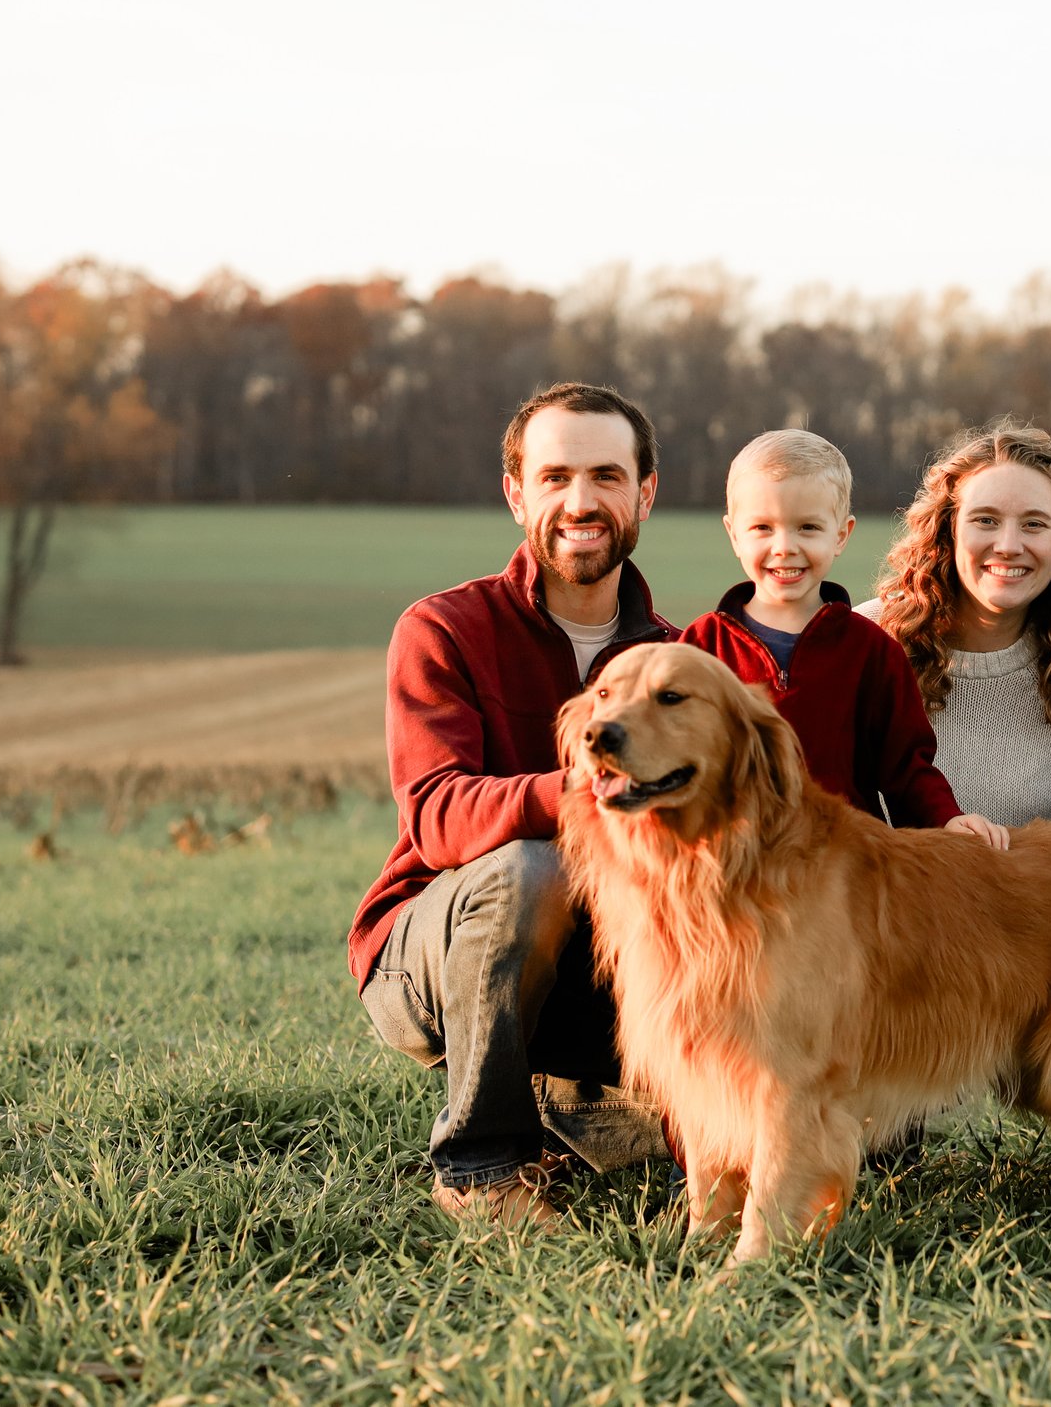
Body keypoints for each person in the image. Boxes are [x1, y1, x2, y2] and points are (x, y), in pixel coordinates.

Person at [347, 382, 677, 1228]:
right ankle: (482, 1167)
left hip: (603, 972)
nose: (581, 501)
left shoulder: (675, 662)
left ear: (645, 493)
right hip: (433, 956)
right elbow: (438, 815)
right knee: (533, 867)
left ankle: (597, 1113)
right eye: (555, 476)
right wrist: (585, 792)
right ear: (516, 493)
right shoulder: (445, 629)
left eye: (606, 476)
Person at [681, 430, 1008, 848]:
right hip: (734, 864)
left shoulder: (871, 650)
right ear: (734, 535)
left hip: (843, 865)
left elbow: (906, 768)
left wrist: (945, 820)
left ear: (840, 535)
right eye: (762, 527)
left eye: (808, 527)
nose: (784, 547)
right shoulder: (701, 647)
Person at [860, 423, 1051, 838]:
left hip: (1041, 884)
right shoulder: (867, 640)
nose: (1009, 545)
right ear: (948, 529)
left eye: (1034, 524)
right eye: (986, 520)